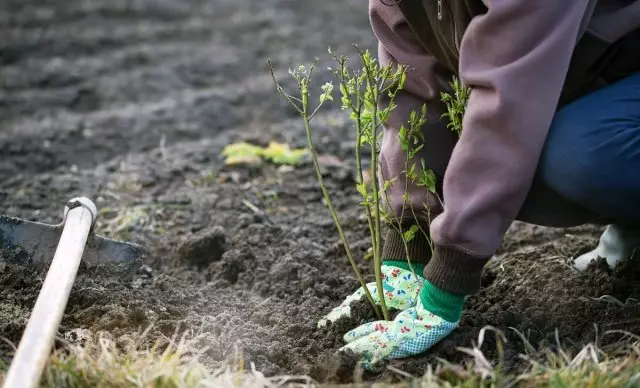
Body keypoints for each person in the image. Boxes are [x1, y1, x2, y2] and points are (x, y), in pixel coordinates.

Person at [318, 0, 640, 369]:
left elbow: (507, 104)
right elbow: (413, 89)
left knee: (573, 155)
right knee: (497, 169)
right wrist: (409, 250)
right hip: (599, 71)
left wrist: (445, 288)